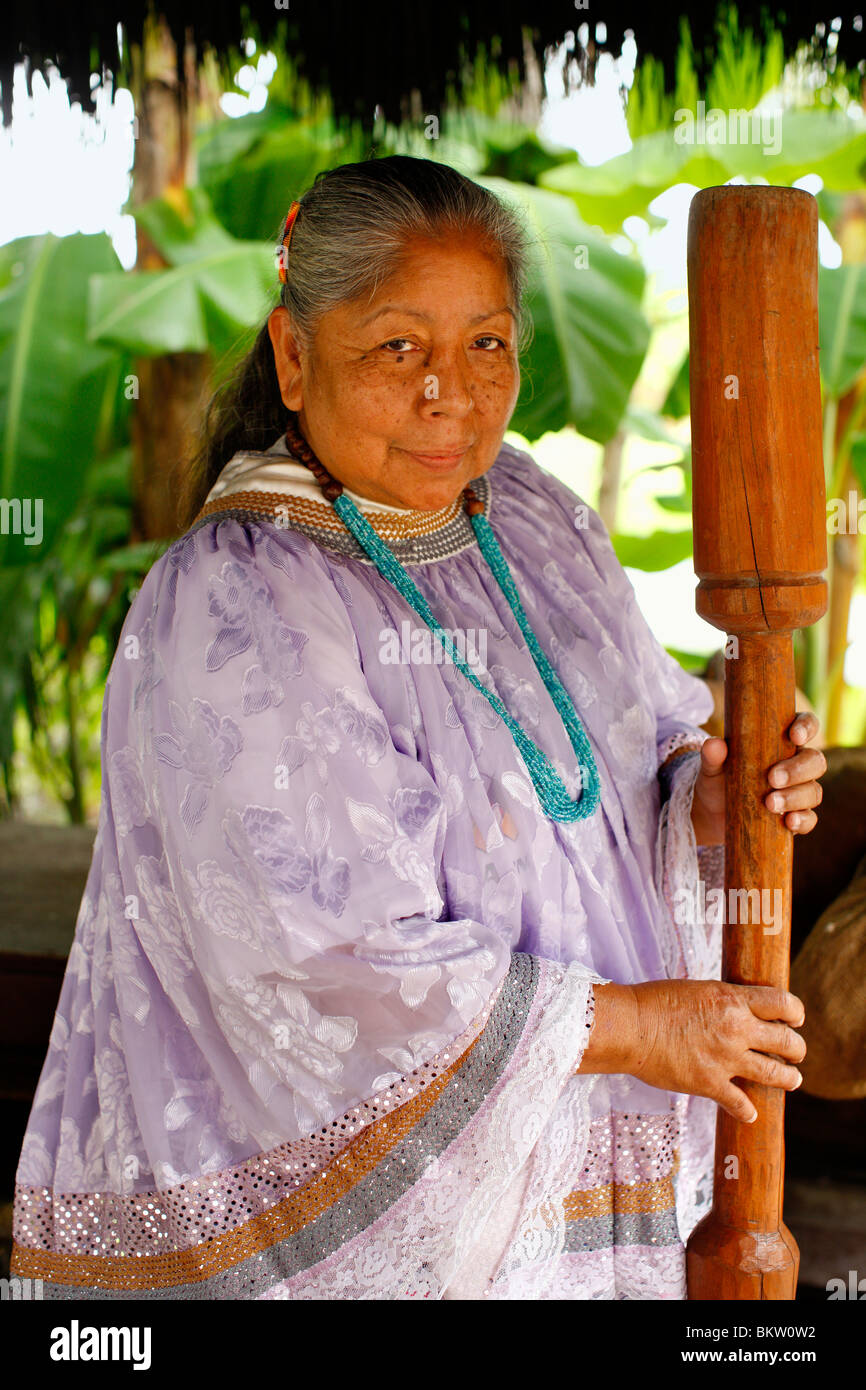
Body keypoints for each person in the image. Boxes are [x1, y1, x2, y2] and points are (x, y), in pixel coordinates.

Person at [10, 156, 826, 1300]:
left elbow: (636, 759)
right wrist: (630, 1027)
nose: (450, 392)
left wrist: (720, 790)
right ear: (295, 360)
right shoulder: (240, 599)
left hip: (596, 1178)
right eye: (398, 349)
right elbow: (321, 953)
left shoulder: (531, 516)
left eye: (485, 344)